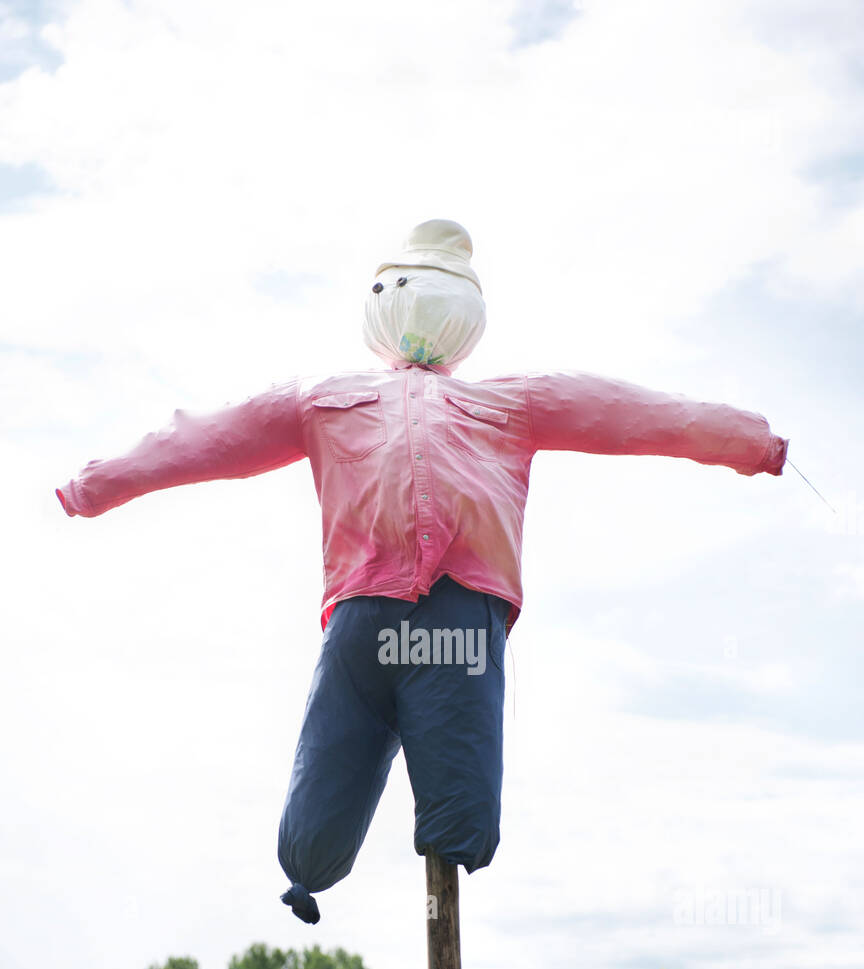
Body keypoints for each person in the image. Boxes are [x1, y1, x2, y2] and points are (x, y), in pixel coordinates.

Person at [55, 219, 788, 924]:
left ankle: (323, 861)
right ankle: (343, 862)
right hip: (444, 629)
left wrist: (94, 487)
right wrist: (753, 443)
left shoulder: (329, 399)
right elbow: (640, 414)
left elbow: (203, 440)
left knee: (375, 782)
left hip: (377, 629)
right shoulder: (498, 402)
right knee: (435, 795)